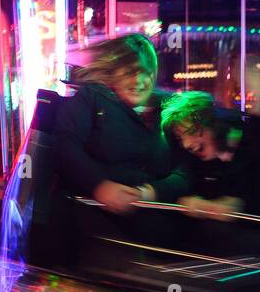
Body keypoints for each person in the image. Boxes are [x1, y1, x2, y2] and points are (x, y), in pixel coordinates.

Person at [54, 33, 190, 218]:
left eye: (146, 73)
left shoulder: (167, 109)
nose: (139, 81)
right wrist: (100, 186)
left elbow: (185, 168)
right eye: (129, 73)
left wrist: (150, 192)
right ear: (113, 73)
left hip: (158, 221)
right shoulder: (92, 98)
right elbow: (65, 144)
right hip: (97, 219)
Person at [160, 89, 260, 220]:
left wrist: (239, 206)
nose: (187, 144)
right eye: (180, 138)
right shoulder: (196, 162)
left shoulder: (256, 144)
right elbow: (188, 184)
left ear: (213, 124)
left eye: (193, 131)